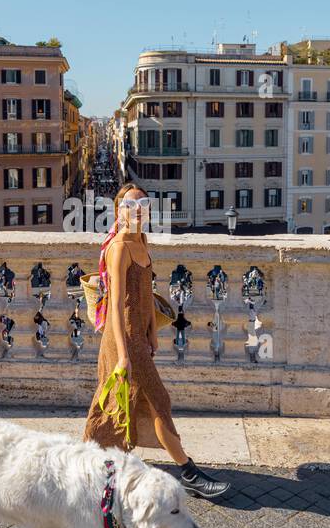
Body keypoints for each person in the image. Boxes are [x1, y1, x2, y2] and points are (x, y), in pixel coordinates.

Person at [83, 183, 229, 498]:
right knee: (156, 401)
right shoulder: (120, 247)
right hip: (123, 339)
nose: (137, 211)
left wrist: (152, 332)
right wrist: (123, 354)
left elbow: (146, 293)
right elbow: (118, 308)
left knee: (125, 405)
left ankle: (94, 466)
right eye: (130, 206)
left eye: (143, 204)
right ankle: (189, 472)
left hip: (139, 337)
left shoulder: (143, 242)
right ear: (118, 211)